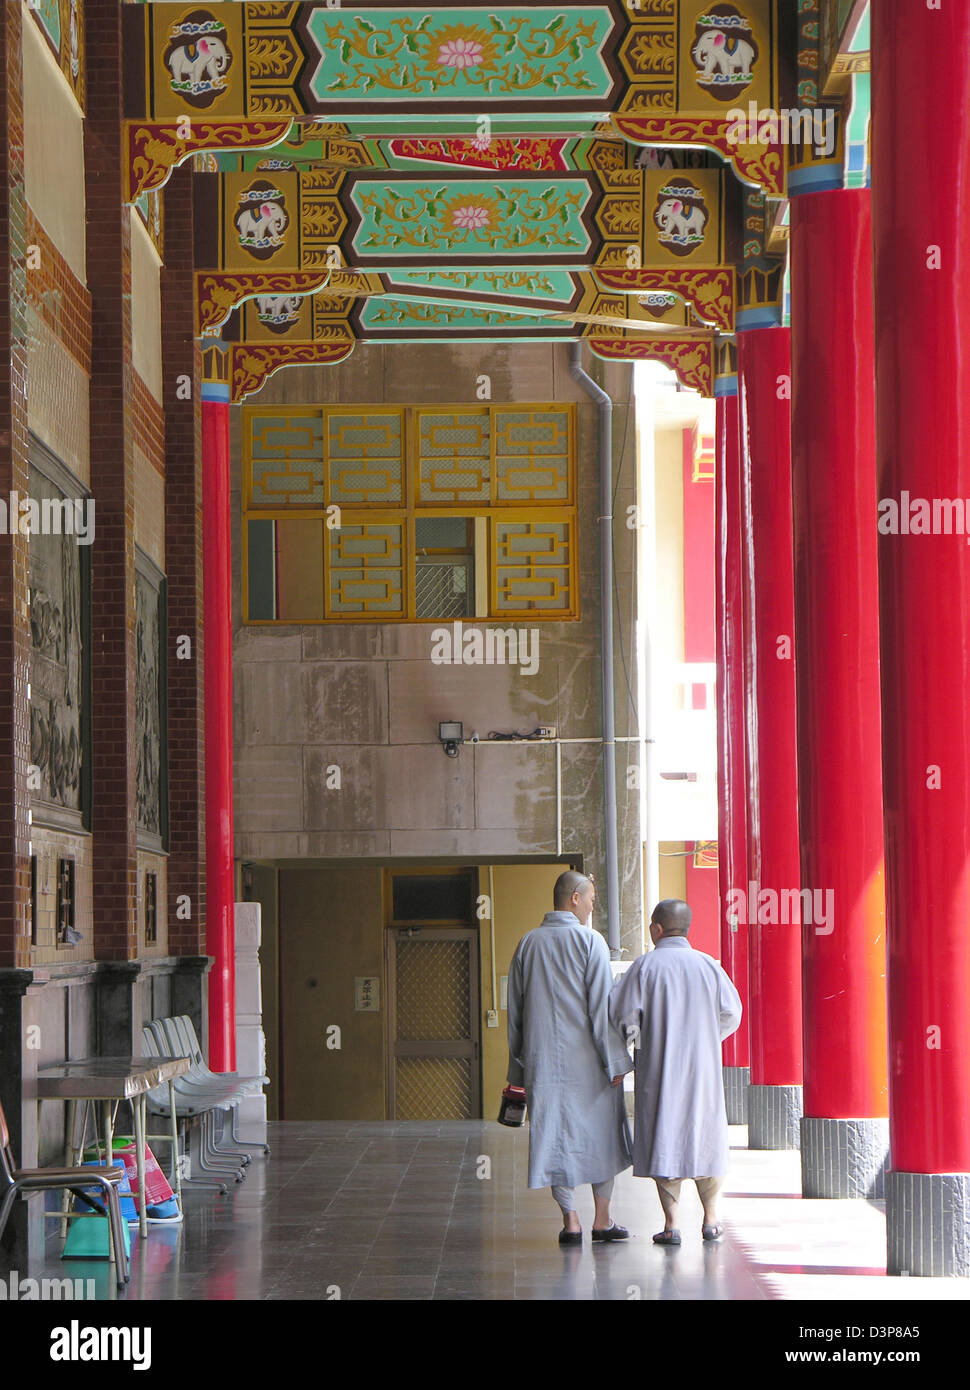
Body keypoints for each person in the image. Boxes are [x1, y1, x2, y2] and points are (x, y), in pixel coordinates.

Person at [506, 870, 634, 1245]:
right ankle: (603, 1220)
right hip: (591, 1065)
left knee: (554, 1136)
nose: (594, 903)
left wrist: (518, 1071)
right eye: (592, 896)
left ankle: (571, 1222)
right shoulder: (590, 942)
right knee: (602, 1136)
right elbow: (602, 1008)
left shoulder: (527, 944)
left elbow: (515, 1013)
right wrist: (616, 1063)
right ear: (574, 897)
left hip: (543, 1065)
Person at [610, 898, 742, 1245]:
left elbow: (623, 1018)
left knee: (665, 1137)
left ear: (656, 929)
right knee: (706, 1137)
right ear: (686, 928)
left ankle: (671, 1225)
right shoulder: (708, 966)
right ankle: (711, 1220)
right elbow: (732, 1012)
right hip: (703, 1069)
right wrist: (709, 1037)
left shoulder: (645, 967)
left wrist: (637, 1039)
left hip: (659, 1067)